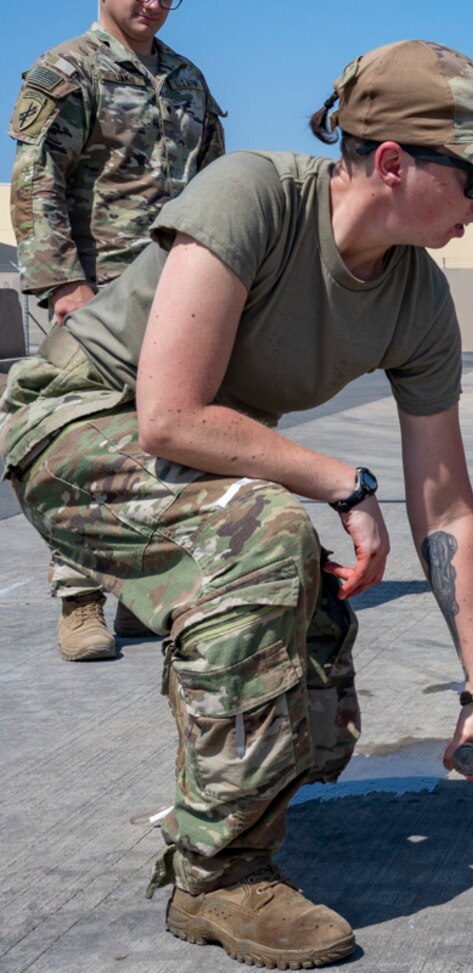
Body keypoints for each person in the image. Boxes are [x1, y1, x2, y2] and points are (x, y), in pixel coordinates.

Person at [0, 39, 473, 967]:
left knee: (316, 649)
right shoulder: (254, 193)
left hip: (182, 447)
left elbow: (448, 504)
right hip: (75, 420)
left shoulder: (418, 299)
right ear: (390, 164)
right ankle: (218, 877)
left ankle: (224, 787)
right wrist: (344, 482)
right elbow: (170, 414)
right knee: (262, 535)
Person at [9, 0, 226, 661]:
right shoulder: (67, 70)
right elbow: (36, 180)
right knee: (88, 442)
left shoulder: (188, 79)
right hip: (98, 298)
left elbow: (219, 187)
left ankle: (141, 595)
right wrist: (63, 284)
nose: (153, 5)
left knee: (167, 442)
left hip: (181, 296)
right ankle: (79, 601)